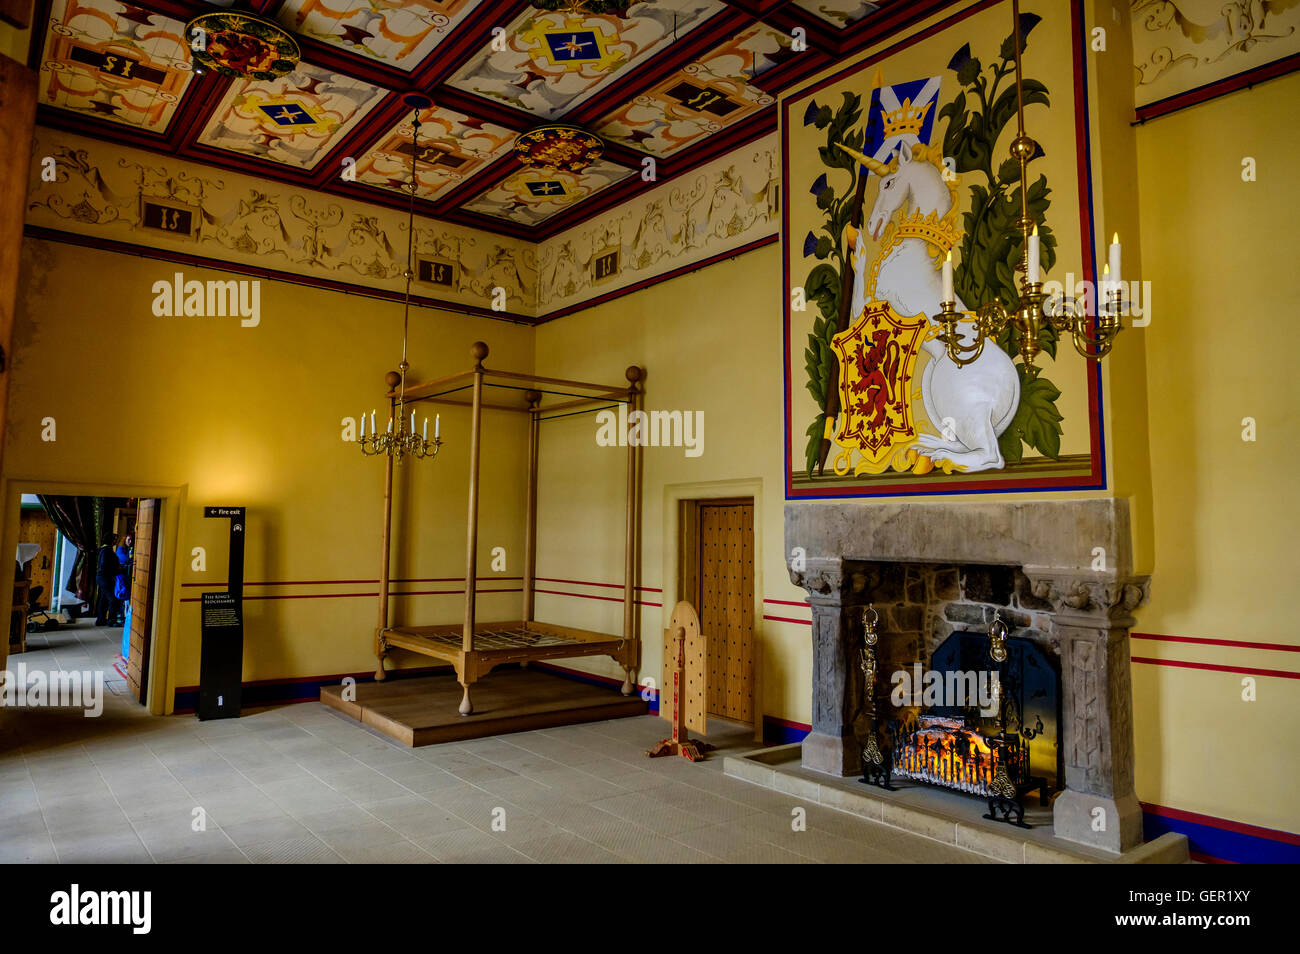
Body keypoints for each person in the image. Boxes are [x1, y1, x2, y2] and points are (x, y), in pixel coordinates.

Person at [94, 532, 122, 627]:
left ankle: (101, 619)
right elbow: (104, 564)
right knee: (113, 599)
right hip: (105, 577)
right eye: (114, 539)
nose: (115, 541)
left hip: (102, 577)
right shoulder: (106, 550)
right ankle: (111, 620)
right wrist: (115, 570)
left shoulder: (105, 549)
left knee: (103, 599)